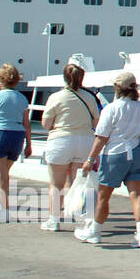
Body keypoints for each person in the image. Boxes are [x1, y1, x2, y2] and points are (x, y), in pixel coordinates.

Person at [74, 72, 140, 247]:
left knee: (103, 197)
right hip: (138, 153)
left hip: (115, 154)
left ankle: (95, 232)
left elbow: (101, 137)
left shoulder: (112, 108)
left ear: (117, 88)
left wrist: (90, 159)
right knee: (137, 195)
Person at [39, 64, 100, 231]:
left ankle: (54, 220)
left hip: (61, 140)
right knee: (78, 183)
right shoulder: (90, 98)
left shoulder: (56, 97)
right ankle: (77, 215)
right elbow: (96, 122)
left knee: (56, 184)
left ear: (65, 77)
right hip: (85, 141)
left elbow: (45, 124)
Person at [0, 63, 31, 222]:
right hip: (17, 136)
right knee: (4, 174)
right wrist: (29, 144)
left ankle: (3, 209)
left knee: (1, 175)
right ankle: (2, 206)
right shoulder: (22, 98)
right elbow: (27, 123)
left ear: (1, 79)